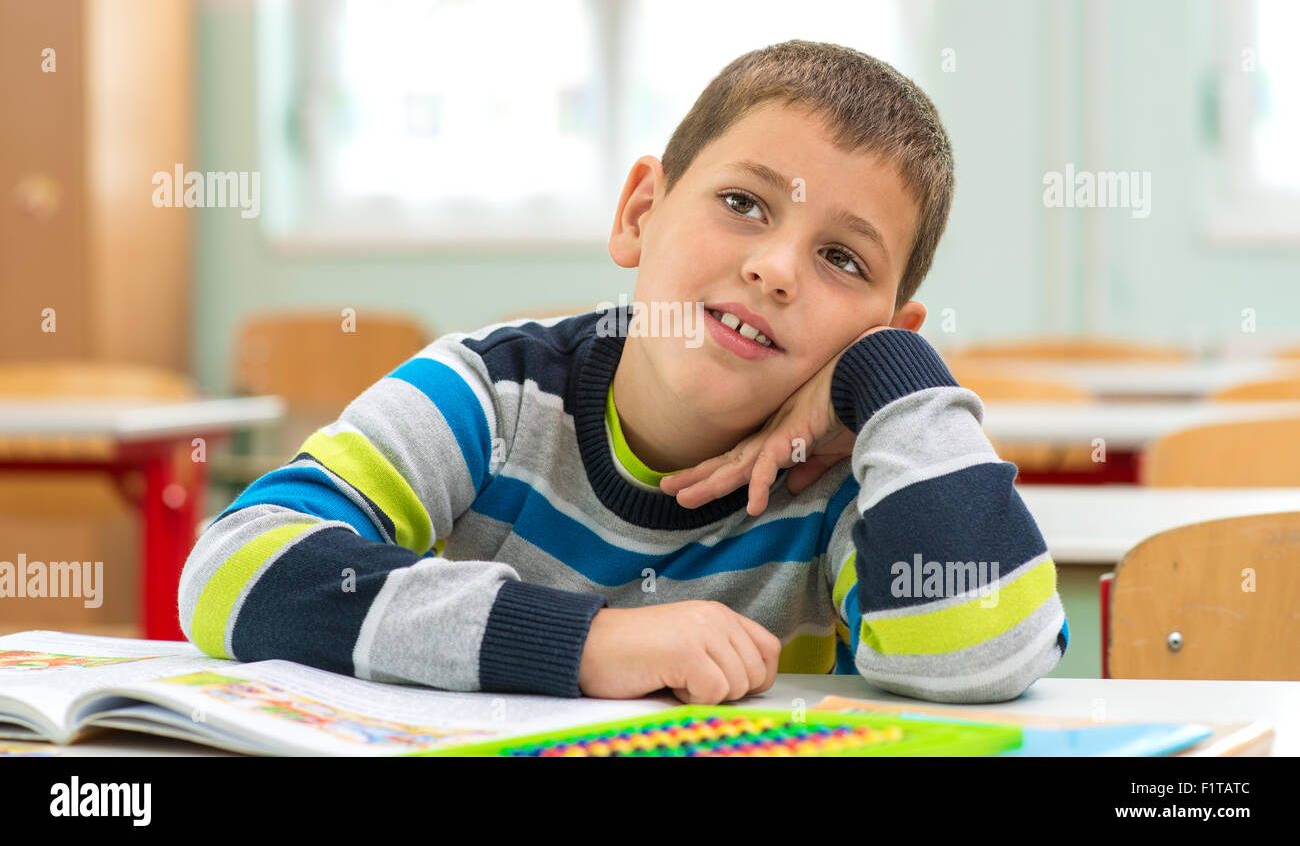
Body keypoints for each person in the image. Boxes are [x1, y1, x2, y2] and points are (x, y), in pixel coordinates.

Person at [179, 40, 1068, 706]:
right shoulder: (492, 396)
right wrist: (588, 644)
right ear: (642, 210)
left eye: (843, 258)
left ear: (887, 326)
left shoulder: (852, 482)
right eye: (743, 203)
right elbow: (235, 568)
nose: (778, 268)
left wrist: (890, 379)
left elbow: (978, 652)